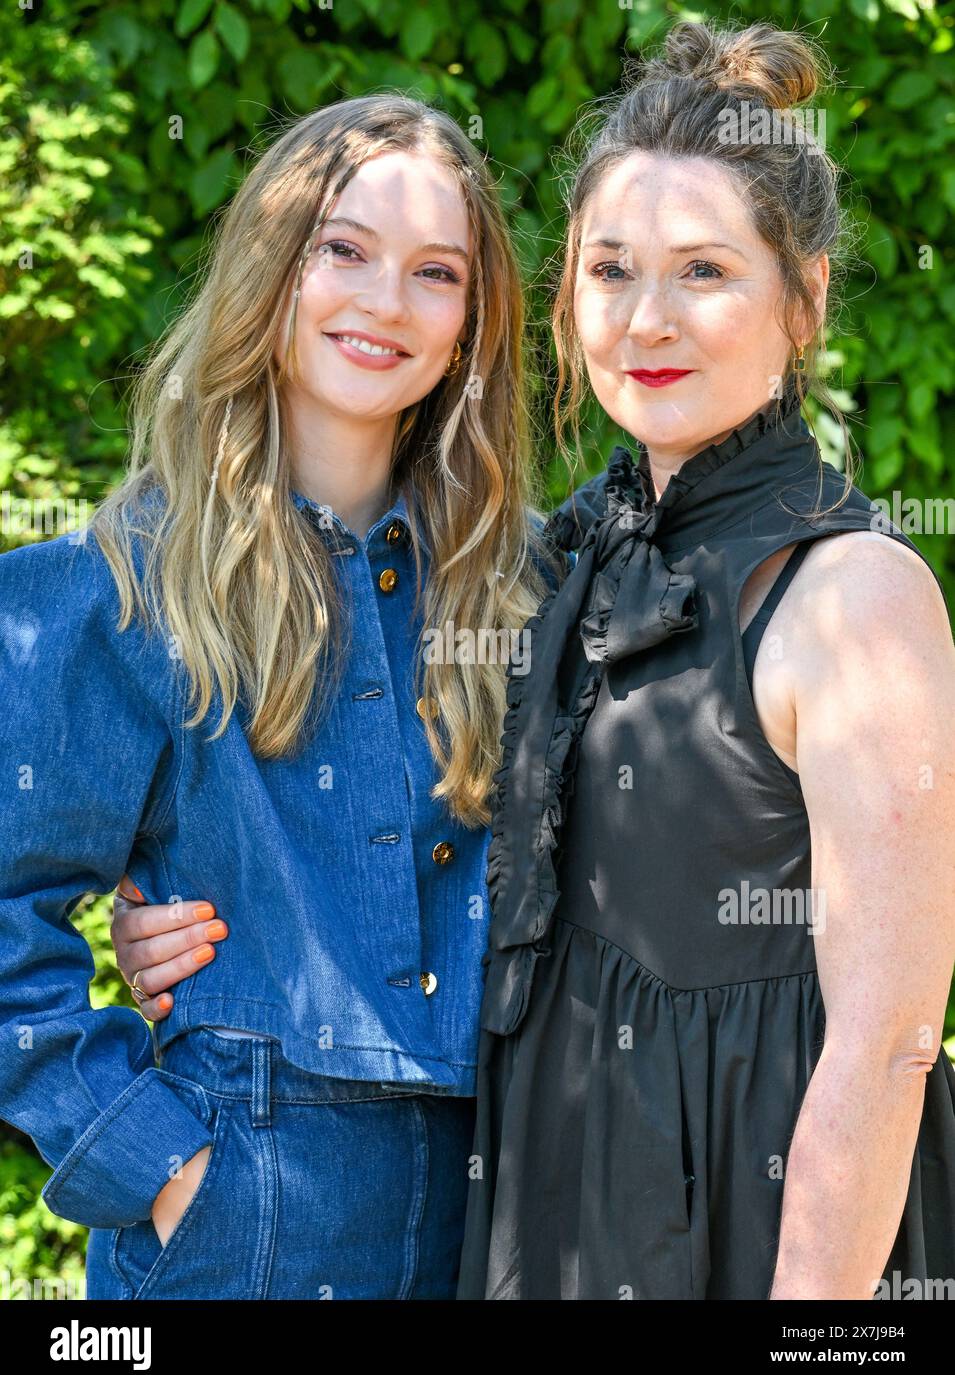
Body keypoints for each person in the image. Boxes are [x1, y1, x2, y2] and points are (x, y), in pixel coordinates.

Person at [0, 93, 551, 1300]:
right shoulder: (124, 587)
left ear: (469, 324)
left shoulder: (529, 589)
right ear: (271, 268)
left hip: (498, 1198)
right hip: (243, 1200)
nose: (384, 302)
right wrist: (158, 1164)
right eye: (342, 250)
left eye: (435, 272)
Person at [454, 20, 955, 1299]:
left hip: (765, 1239)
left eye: (705, 272)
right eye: (610, 269)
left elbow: (891, 1043)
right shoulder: (569, 556)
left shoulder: (852, 595)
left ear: (808, 295)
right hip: (558, 1202)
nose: (645, 320)